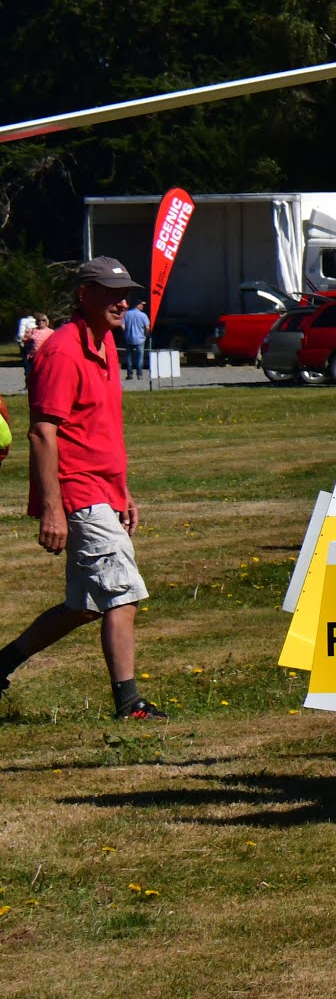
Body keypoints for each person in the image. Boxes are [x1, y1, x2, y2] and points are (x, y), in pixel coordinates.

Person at [0, 258, 163, 718]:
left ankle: (1, 665)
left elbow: (99, 429)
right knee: (122, 592)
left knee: (85, 605)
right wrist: (53, 510)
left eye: (125, 294)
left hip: (103, 490)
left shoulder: (105, 342)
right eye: (112, 294)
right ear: (84, 295)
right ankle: (129, 703)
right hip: (77, 490)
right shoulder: (62, 351)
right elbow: (42, 433)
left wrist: (122, 491)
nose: (123, 303)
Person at [120, 299, 150, 379]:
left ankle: (130, 374)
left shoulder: (126, 314)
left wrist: (126, 332)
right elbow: (147, 327)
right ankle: (139, 374)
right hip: (140, 339)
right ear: (137, 305)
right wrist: (145, 335)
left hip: (129, 338)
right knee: (140, 357)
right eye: (141, 304)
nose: (143, 306)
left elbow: (122, 325)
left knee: (128, 357)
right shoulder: (143, 315)